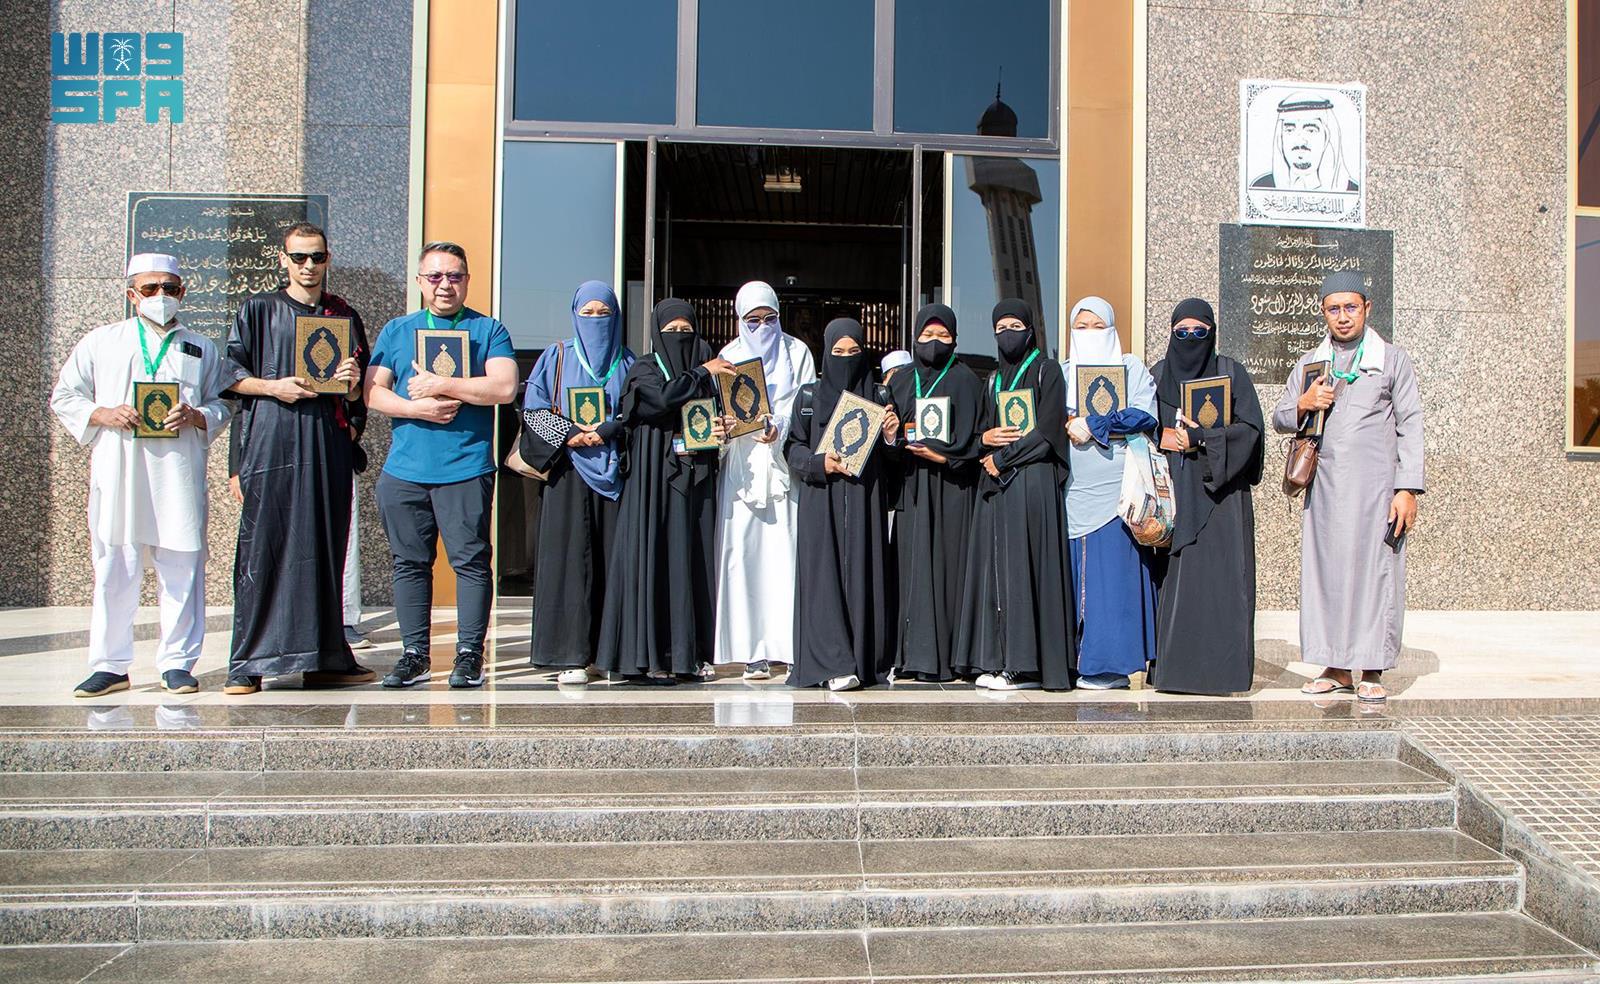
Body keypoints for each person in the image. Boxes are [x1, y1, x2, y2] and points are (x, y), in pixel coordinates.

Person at [51, 253, 233, 697]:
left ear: (182, 293)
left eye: (170, 288)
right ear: (132, 295)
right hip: (120, 474)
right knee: (116, 567)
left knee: (182, 567)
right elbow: (65, 396)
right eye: (151, 289)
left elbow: (224, 404)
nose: (161, 297)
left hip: (178, 474)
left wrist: (196, 415)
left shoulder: (201, 347)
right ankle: (111, 664)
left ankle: (177, 663)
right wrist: (104, 412)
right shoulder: (102, 341)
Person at [223, 222, 372, 694]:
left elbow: (358, 396)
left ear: (329, 259)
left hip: (327, 443)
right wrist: (274, 387)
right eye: (300, 257)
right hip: (272, 443)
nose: (309, 266)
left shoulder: (343, 315)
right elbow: (228, 378)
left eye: (318, 257)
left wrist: (351, 384)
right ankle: (248, 663)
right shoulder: (258, 309)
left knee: (325, 547)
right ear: (283, 260)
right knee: (264, 547)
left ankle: (325, 658)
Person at [365, 242, 518, 690]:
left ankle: (470, 654)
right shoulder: (397, 330)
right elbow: (373, 393)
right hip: (405, 470)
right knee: (409, 564)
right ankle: (414, 654)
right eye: (435, 276)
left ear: (467, 280)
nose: (445, 285)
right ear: (419, 282)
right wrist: (418, 409)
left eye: (454, 276)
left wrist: (443, 384)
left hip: (465, 468)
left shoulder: (488, 329)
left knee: (471, 563)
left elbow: (505, 387)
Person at [1274, 270, 1423, 704]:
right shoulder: (1310, 364)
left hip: (1379, 492)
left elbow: (1411, 425)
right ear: (1323, 313)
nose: (1342, 317)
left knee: (1376, 573)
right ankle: (1335, 666)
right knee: (1328, 574)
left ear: (1367, 309)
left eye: (1350, 308)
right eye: (1334, 309)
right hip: (1326, 492)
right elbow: (1281, 416)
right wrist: (1302, 404)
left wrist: (1408, 488)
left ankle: (1372, 667)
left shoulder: (1392, 360)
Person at [597, 299, 734, 680]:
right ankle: (643, 657)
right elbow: (659, 400)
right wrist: (702, 372)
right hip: (654, 481)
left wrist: (720, 427)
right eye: (671, 331)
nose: (680, 337)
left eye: (685, 330)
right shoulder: (645, 367)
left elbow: (717, 416)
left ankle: (687, 656)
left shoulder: (708, 371)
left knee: (691, 561)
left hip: (696, 478)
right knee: (652, 559)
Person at [954, 299, 1074, 691]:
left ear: (1030, 329)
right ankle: (1000, 657)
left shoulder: (1046, 371)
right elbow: (980, 434)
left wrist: (1003, 458)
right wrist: (985, 443)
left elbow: (1049, 431)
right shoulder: (992, 380)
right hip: (998, 487)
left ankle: (1026, 666)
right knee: (999, 572)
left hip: (1032, 484)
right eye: (1000, 327)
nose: (1008, 333)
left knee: (1025, 571)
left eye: (1015, 326)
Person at [1149, 299, 1265, 695]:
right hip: (1176, 498)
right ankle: (1174, 672)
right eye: (1182, 332)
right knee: (1176, 585)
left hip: (1223, 500)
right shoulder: (1157, 376)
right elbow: (1144, 430)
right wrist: (1165, 438)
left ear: (1212, 333)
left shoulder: (1231, 373)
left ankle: (1223, 674)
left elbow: (1251, 431)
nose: (1191, 339)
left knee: (1222, 585)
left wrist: (1202, 439)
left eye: (1199, 332)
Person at [523, 281, 636, 685]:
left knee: (611, 563)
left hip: (613, 475)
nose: (594, 321)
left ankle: (608, 653)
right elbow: (533, 410)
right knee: (568, 563)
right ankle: (569, 654)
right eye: (586, 314)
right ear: (573, 316)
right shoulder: (555, 357)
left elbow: (636, 414)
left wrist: (606, 430)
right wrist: (569, 433)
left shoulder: (628, 361)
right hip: (567, 472)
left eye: (602, 313)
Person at [785, 318, 899, 691]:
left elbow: (895, 462)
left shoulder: (881, 397)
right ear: (825, 353)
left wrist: (891, 437)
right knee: (824, 580)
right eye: (838, 353)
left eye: (854, 352)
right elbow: (793, 449)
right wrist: (820, 464)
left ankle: (864, 661)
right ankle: (831, 663)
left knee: (864, 574)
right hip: (822, 501)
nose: (847, 359)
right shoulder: (809, 397)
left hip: (865, 502)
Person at [711, 281, 818, 680]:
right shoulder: (730, 356)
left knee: (784, 554)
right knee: (744, 557)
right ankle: (750, 649)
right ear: (740, 320)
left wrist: (780, 428)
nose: (762, 327)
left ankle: (787, 645)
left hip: (783, 464)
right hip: (742, 468)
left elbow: (807, 403)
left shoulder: (797, 352)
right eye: (752, 320)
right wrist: (724, 426)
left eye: (769, 319)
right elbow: (718, 407)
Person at [1061, 297, 1160, 690]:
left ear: (1113, 329)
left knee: (1111, 581)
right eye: (1080, 327)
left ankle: (1111, 667)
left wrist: (1095, 423)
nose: (1088, 334)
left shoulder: (1131, 367)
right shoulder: (1063, 371)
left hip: (1117, 494)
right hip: (1072, 492)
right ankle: (1070, 661)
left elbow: (1144, 415)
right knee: (1072, 577)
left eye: (1097, 326)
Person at [886, 303, 983, 682]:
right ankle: (911, 655)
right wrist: (893, 437)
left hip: (953, 488)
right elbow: (887, 441)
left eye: (943, 336)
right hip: (912, 485)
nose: (934, 343)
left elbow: (978, 438)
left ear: (955, 339)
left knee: (948, 569)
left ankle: (950, 657)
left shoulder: (969, 381)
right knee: (911, 569)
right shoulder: (901, 380)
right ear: (915, 338)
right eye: (927, 336)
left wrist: (946, 457)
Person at [1249, 93, 1360, 192]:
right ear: (1280, 138)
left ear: (1326, 137)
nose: (1300, 141)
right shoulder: (1262, 187)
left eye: (1311, 130)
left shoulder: (1351, 190)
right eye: (1289, 130)